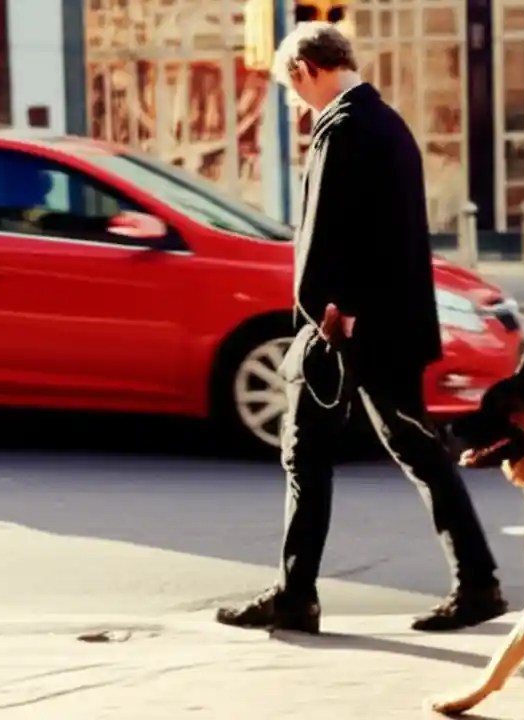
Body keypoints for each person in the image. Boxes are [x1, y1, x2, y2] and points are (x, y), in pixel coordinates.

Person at [215, 22, 507, 634]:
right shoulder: (387, 124)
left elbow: (326, 232)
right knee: (405, 452)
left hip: (348, 331)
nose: (297, 105)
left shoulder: (342, 129)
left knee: (316, 456)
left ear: (305, 70)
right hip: (385, 325)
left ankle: (303, 597)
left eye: (292, 91)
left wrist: (324, 312)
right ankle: (472, 582)